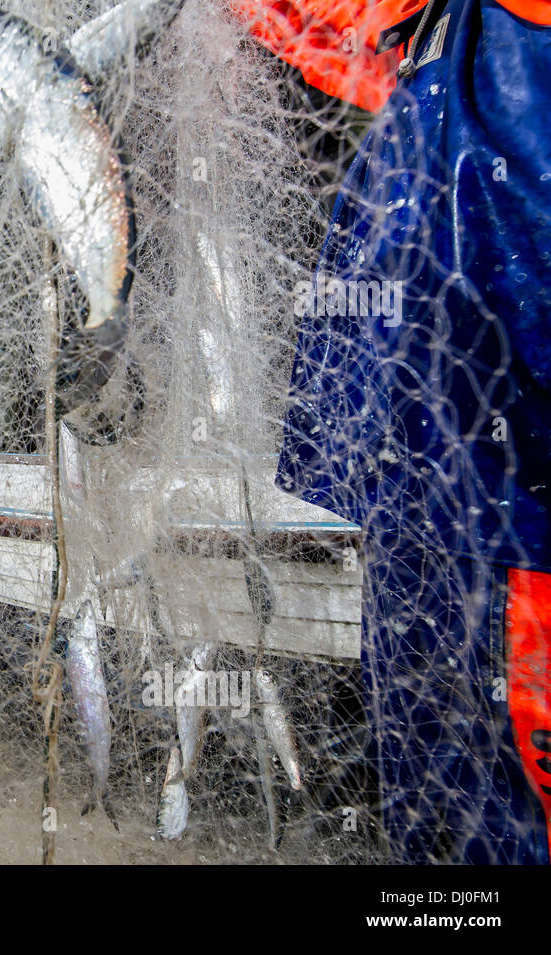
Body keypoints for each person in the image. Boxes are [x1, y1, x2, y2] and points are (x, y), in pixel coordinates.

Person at [276, 0, 550, 863]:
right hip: (422, 494)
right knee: (432, 815)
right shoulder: (438, 28)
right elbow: (333, 25)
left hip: (514, 513)